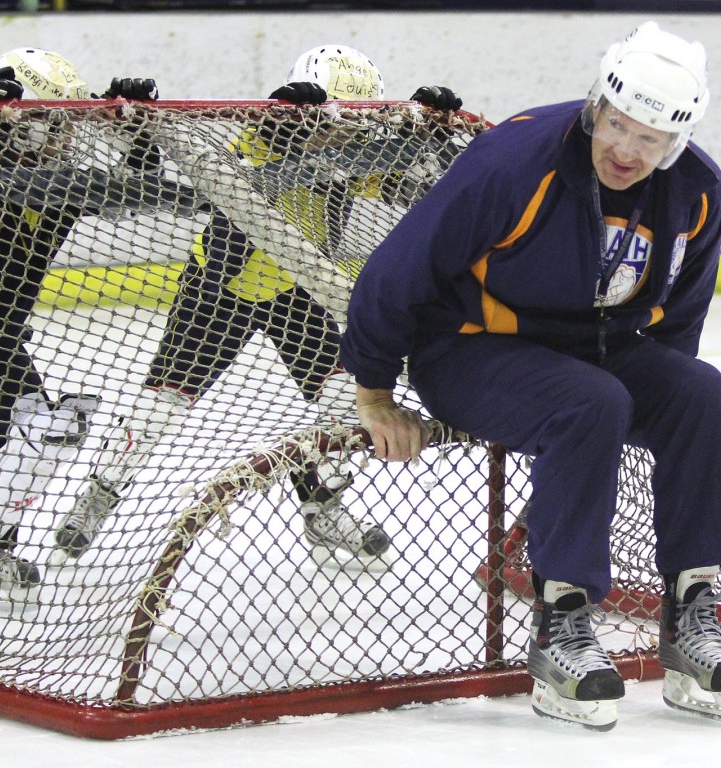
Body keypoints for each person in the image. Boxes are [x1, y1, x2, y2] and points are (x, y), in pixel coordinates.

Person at [339, 21, 721, 729]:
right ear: (595, 107)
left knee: (704, 395)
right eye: (617, 125)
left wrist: (666, 404)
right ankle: (562, 627)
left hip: (594, 351)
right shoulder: (516, 161)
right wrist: (374, 392)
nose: (626, 150)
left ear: (674, 145)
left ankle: (695, 614)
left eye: (649, 139)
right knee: (591, 403)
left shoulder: (696, 192)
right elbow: (396, 271)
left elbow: (677, 324)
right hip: (469, 349)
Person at [52, 44, 465, 570]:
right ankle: (100, 493)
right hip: (220, 290)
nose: (342, 135)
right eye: (334, 121)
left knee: (348, 395)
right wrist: (285, 119)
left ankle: (322, 509)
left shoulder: (349, 152)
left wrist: (424, 132)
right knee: (158, 410)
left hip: (299, 292)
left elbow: (407, 187)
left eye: (350, 125)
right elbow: (256, 146)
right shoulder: (266, 136)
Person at [0, 47, 161, 593]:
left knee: (49, 434)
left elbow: (136, 191)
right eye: (51, 123)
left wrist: (137, 130)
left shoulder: (57, 186)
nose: (63, 136)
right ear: (16, 126)